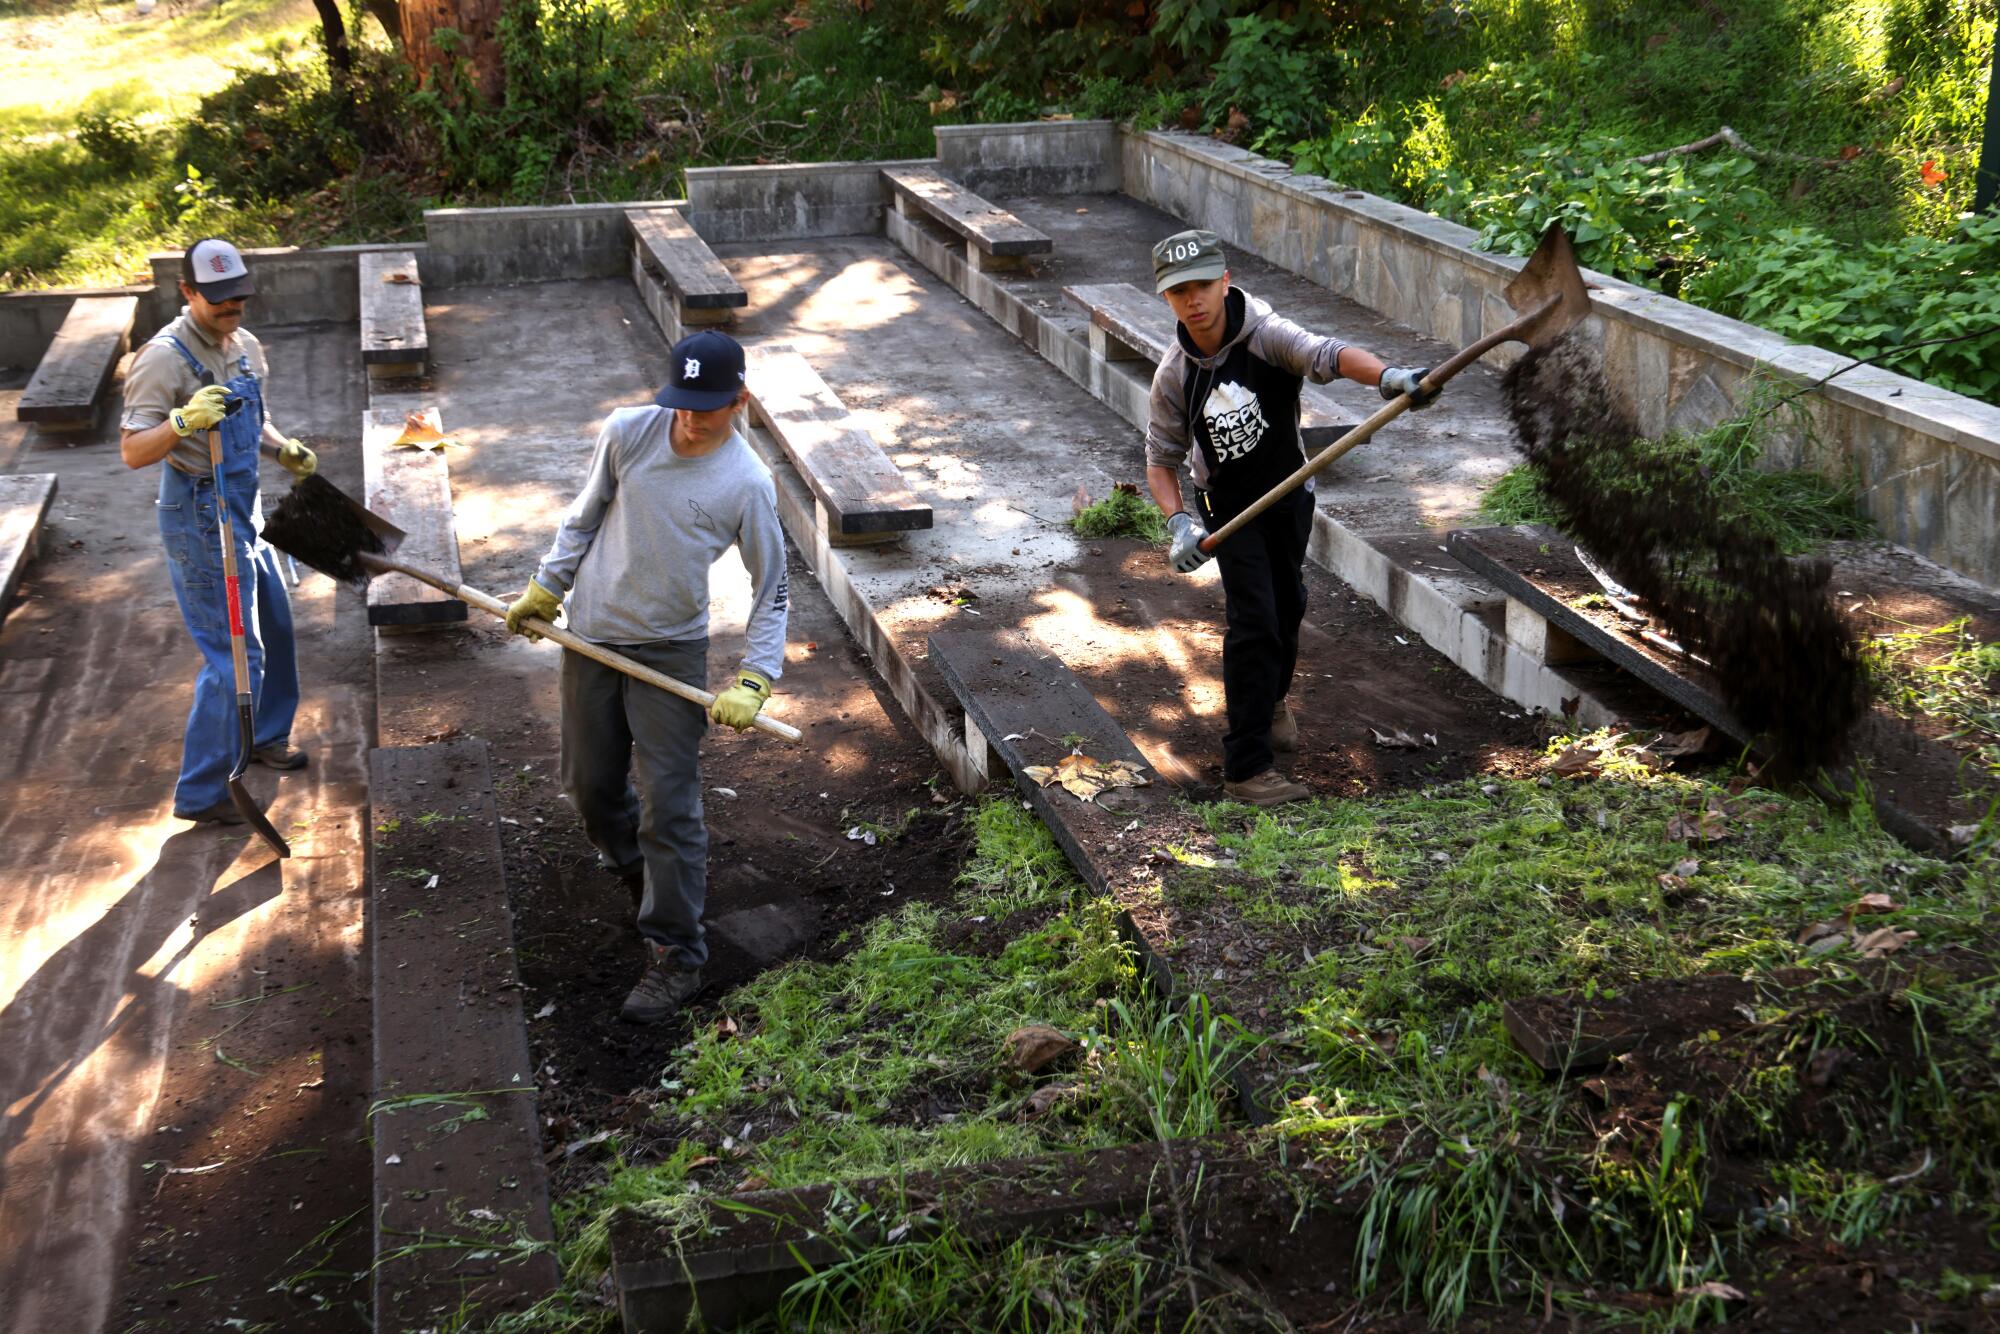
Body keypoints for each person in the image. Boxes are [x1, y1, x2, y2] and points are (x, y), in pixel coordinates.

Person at [505, 329, 788, 1025]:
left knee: (672, 805)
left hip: (670, 653)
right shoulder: (630, 431)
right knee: (590, 788)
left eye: (710, 407)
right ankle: (637, 870)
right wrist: (547, 585)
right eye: (683, 403)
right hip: (593, 640)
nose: (691, 420)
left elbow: (773, 586)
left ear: (741, 399)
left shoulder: (747, 483)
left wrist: (755, 677)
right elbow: (583, 516)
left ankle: (677, 952)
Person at [1143, 229, 1436, 807]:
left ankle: (1270, 700)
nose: (1193, 300)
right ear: (1167, 299)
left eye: (1203, 285)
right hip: (1227, 507)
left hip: (1289, 490)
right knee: (1254, 622)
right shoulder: (1175, 373)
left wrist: (1386, 377)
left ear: (1225, 282)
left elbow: (1327, 354)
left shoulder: (1266, 336)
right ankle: (1246, 767)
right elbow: (1159, 459)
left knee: (1290, 605)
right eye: (1179, 293)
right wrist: (1179, 523)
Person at [120, 237, 318, 825]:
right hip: (199, 516)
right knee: (235, 657)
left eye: (238, 298)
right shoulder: (162, 359)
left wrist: (283, 449)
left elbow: (252, 419)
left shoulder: (246, 346)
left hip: (244, 506)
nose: (230, 310)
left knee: (275, 627)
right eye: (217, 301)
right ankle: (203, 791)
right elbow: (133, 450)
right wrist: (180, 421)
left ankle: (265, 735)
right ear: (186, 292)